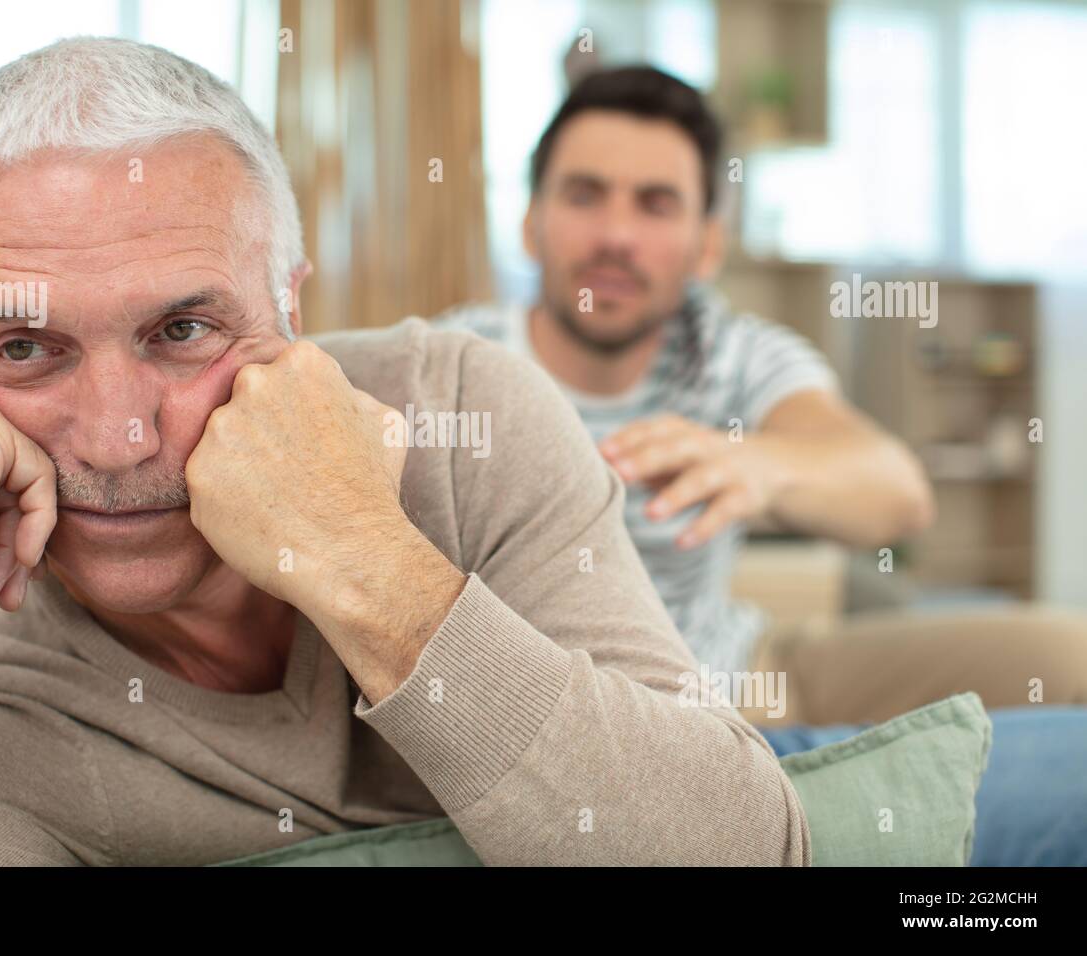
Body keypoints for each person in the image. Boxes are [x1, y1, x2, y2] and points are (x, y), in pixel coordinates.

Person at [0, 39, 809, 866]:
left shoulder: (462, 409)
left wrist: (359, 555)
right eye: (22, 348)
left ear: (292, 310)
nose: (116, 435)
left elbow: (751, 851)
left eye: (181, 331)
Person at [435, 64, 1087, 865]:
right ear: (532, 222)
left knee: (1071, 654)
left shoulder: (739, 356)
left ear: (708, 245)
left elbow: (897, 494)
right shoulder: (452, 364)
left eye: (657, 203)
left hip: (738, 677)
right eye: (584, 194)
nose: (616, 235)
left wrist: (761, 463)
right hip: (559, 721)